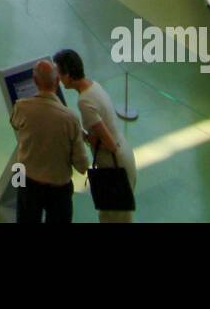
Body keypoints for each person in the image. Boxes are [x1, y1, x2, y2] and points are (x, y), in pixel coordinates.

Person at [54, 48, 137, 223]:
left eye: (59, 74)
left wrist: (82, 135)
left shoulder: (84, 101)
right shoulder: (94, 85)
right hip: (124, 157)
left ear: (68, 75)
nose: (59, 79)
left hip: (113, 166)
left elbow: (109, 144)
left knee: (112, 218)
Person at [8, 60, 89, 223]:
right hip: (58, 188)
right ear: (57, 81)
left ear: (35, 81)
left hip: (27, 182)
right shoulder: (71, 119)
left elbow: (14, 123)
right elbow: (82, 165)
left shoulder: (21, 107)